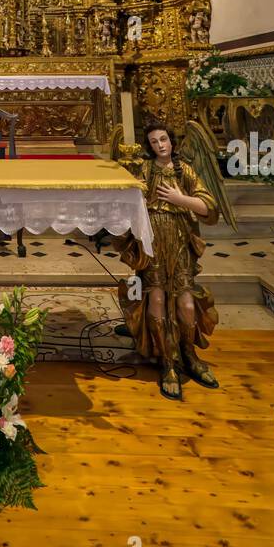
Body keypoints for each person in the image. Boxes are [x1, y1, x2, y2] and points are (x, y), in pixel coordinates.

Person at [114, 122, 219, 401]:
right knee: (157, 299)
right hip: (153, 243)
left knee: (186, 302)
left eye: (163, 139)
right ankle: (167, 362)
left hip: (180, 242)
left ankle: (189, 354)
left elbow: (209, 207)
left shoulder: (184, 171)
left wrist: (179, 198)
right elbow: (129, 198)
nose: (160, 145)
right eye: (154, 142)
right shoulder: (146, 170)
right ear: (148, 147)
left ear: (171, 141)